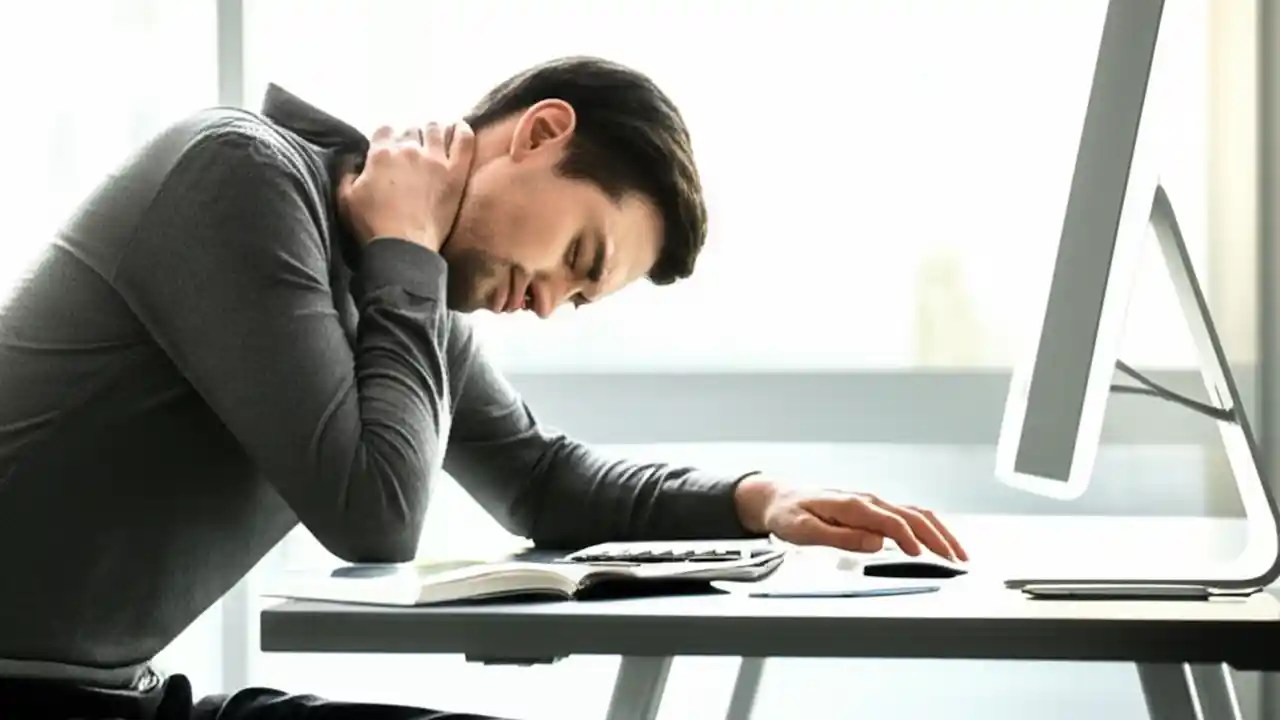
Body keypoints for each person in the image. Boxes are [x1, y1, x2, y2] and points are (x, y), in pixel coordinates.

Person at [0, 56, 968, 719]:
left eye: (581, 298)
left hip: (106, 694)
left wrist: (762, 500)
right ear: (541, 132)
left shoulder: (394, 285)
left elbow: (537, 481)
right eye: (576, 256)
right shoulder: (241, 178)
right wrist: (406, 249)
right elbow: (375, 517)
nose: (549, 304)